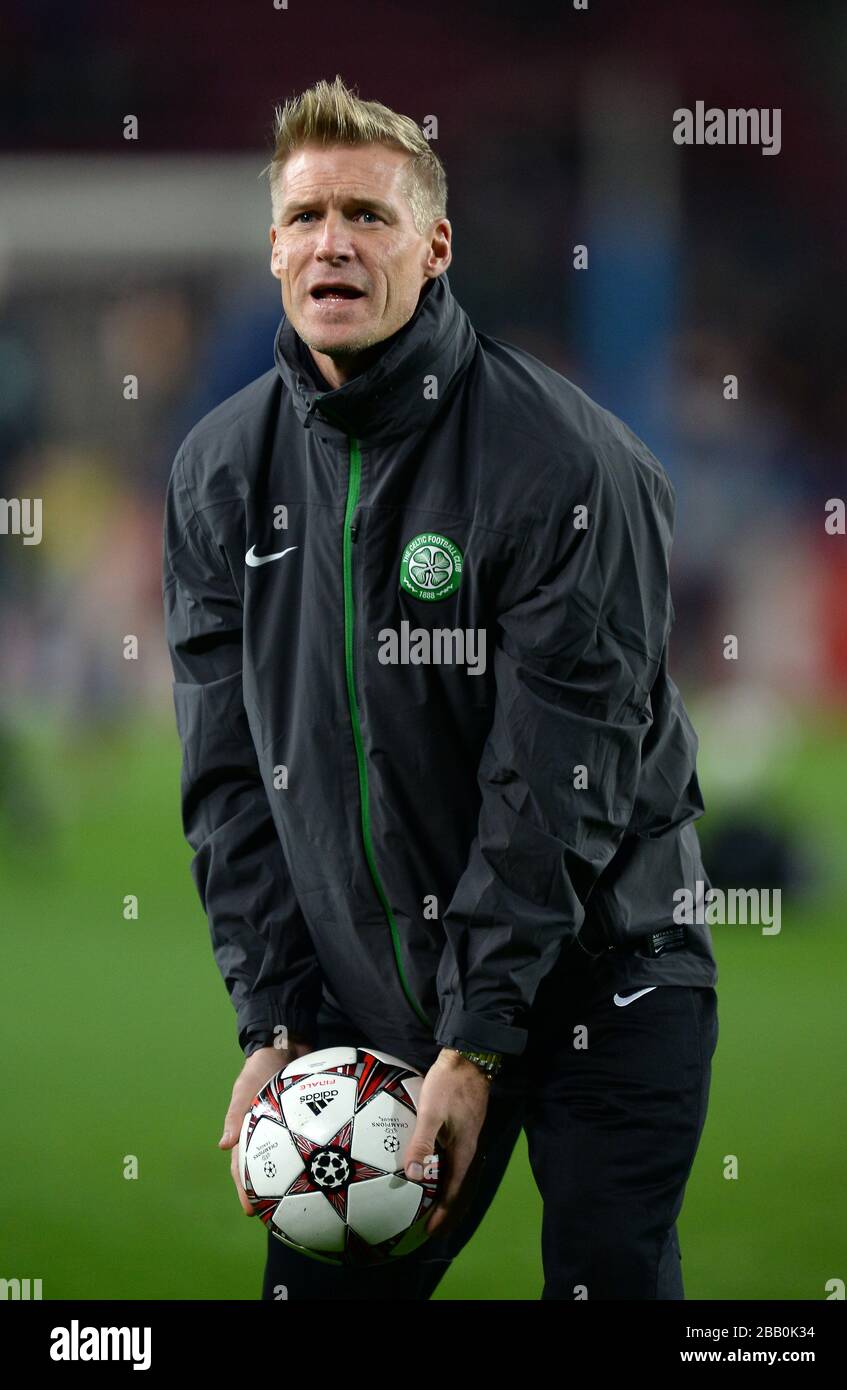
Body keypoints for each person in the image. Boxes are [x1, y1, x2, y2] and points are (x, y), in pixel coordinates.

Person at [162, 75, 719, 1301]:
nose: (334, 243)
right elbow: (229, 781)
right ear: (272, 250)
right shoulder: (217, 473)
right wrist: (272, 1020)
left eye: (367, 214)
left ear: (434, 245)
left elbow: (559, 778)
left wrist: (475, 1039)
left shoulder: (568, 463)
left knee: (608, 1279)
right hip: (376, 998)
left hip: (603, 966)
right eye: (307, 217)